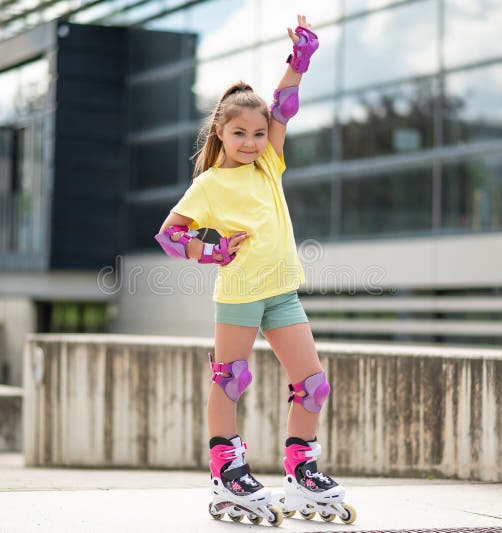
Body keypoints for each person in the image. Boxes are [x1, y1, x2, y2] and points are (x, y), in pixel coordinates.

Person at [155, 15, 355, 526]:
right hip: (241, 292)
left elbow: (284, 103)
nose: (250, 141)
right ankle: (228, 471)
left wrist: (300, 58)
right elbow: (169, 237)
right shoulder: (209, 186)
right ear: (220, 133)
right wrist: (215, 247)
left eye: (258, 133)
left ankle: (302, 470)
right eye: (239, 133)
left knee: (313, 385)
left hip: (282, 292)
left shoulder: (269, 163)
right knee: (230, 381)